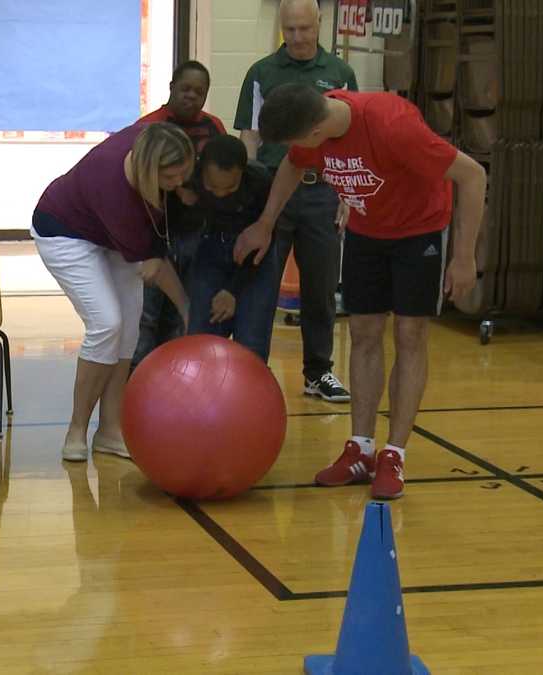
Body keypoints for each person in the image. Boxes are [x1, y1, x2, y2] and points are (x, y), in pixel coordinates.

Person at [247, 82, 485, 500]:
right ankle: (361, 448)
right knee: (363, 333)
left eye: (296, 142)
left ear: (315, 131)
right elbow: (291, 165)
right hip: (365, 232)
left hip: (419, 232)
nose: (295, 150)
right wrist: (266, 223)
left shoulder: (392, 125)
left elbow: (472, 175)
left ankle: (394, 453)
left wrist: (464, 256)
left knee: (409, 335)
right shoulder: (316, 121)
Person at [33, 122, 194, 463]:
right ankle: (76, 430)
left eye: (184, 173)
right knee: (107, 324)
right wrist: (186, 308)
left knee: (129, 329)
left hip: (107, 234)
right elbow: (154, 265)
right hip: (64, 231)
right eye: (171, 177)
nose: (180, 184)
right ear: (149, 170)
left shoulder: (151, 137)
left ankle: (110, 431)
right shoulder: (114, 190)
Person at [233, 0, 358, 404]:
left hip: (322, 192)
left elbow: (352, 138)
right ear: (281, 27)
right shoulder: (261, 73)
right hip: (273, 189)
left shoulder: (340, 73)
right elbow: (250, 136)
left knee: (321, 288)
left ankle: (318, 373)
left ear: (319, 23)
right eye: (290, 29)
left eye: (305, 28)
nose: (299, 37)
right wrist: (248, 192)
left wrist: (347, 193)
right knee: (261, 285)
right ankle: (253, 370)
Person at [132, 61, 227, 371]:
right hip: (153, 235)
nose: (191, 96)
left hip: (197, 234)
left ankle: (170, 376)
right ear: (172, 87)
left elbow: (222, 177)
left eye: (199, 92)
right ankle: (137, 380)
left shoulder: (214, 128)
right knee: (146, 316)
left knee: (180, 314)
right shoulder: (149, 127)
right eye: (185, 89)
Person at [184, 135, 280, 362]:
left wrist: (232, 291)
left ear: (243, 173)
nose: (219, 193)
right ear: (201, 170)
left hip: (255, 261)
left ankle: (249, 385)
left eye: (230, 188)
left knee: (251, 342)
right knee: (200, 336)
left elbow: (264, 242)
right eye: (212, 187)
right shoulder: (188, 178)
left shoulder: (260, 183)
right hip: (209, 253)